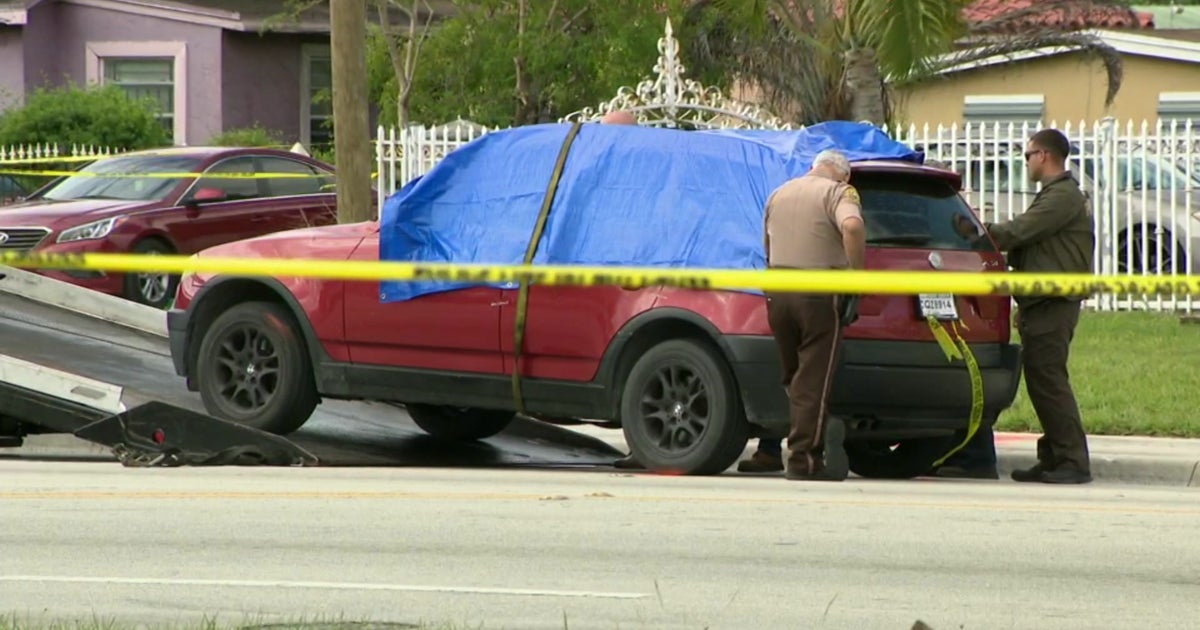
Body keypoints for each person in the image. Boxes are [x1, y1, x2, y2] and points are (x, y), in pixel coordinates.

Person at [951, 128, 1095, 485]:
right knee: (1043, 381)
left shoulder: (1062, 197)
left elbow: (1021, 231)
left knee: (1049, 381)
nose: (1026, 162)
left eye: (1027, 155)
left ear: (1044, 156)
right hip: (1040, 302)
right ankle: (1053, 458)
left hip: (1054, 303)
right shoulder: (1055, 194)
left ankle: (1072, 461)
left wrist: (979, 234)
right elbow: (1035, 248)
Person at [762, 149, 864, 482]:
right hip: (818, 293)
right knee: (813, 379)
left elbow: (767, 243)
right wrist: (856, 275)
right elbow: (851, 226)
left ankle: (807, 430)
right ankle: (804, 458)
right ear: (844, 174)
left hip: (778, 289)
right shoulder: (840, 192)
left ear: (813, 167)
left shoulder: (780, 192)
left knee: (793, 375)